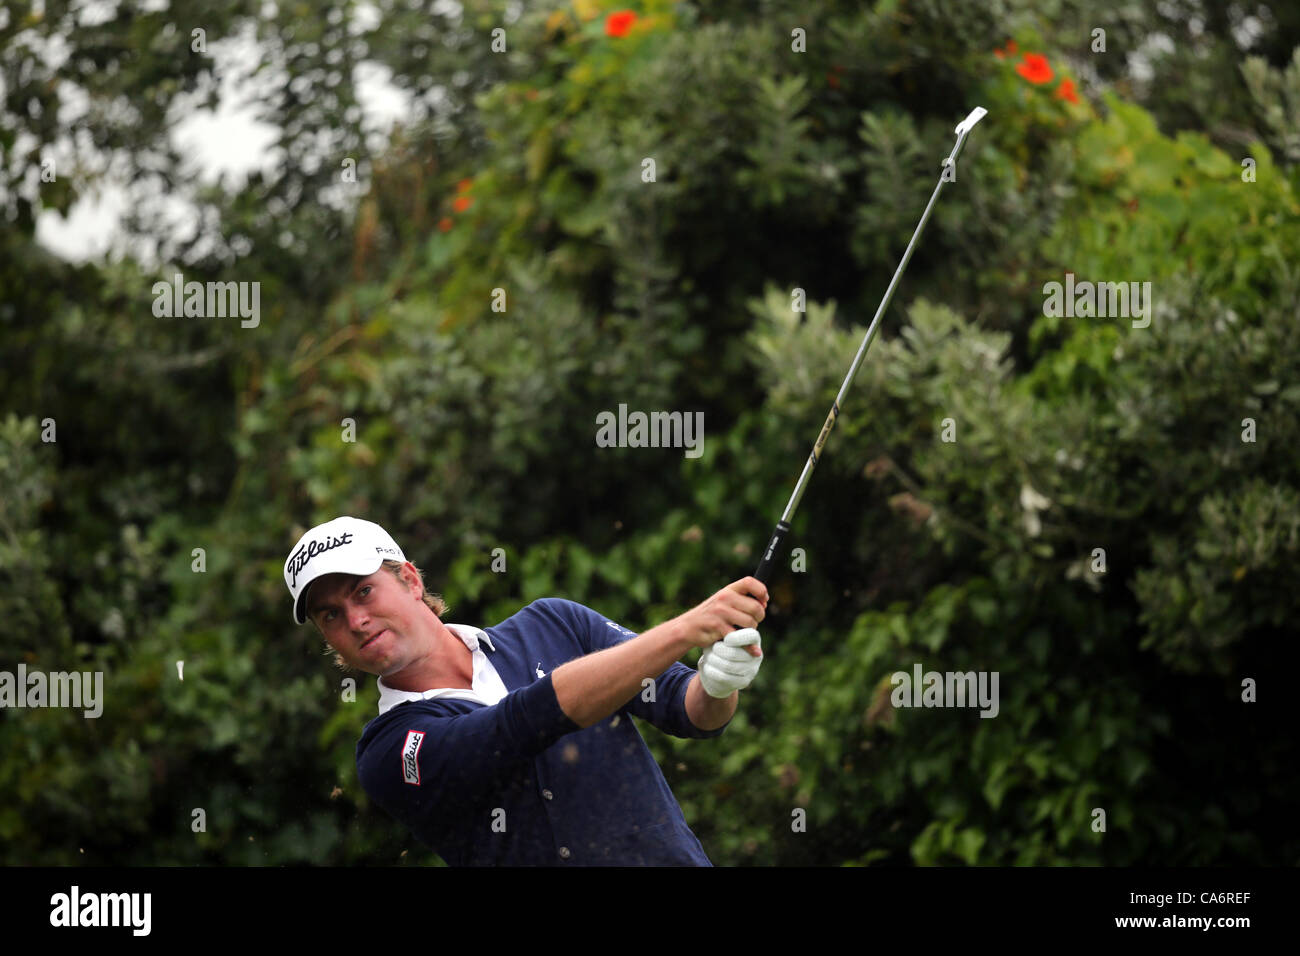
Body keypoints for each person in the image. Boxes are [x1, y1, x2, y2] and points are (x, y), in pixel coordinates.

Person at [283, 515, 766, 866]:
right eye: (331, 615)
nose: (356, 620)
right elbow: (518, 724)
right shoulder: (390, 751)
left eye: (362, 592)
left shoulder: (555, 623)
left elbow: (691, 712)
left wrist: (718, 682)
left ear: (409, 580)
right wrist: (685, 629)